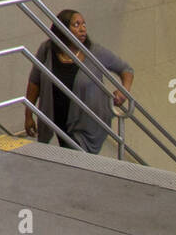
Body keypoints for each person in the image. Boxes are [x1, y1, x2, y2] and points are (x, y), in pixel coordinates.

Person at [24, 9, 134, 154]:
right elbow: (34, 82)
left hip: (85, 121)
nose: (82, 29)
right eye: (76, 25)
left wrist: (123, 91)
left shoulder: (95, 52)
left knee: (77, 157)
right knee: (66, 155)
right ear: (62, 28)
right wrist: (28, 116)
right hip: (56, 116)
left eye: (83, 24)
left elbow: (126, 70)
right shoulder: (47, 50)